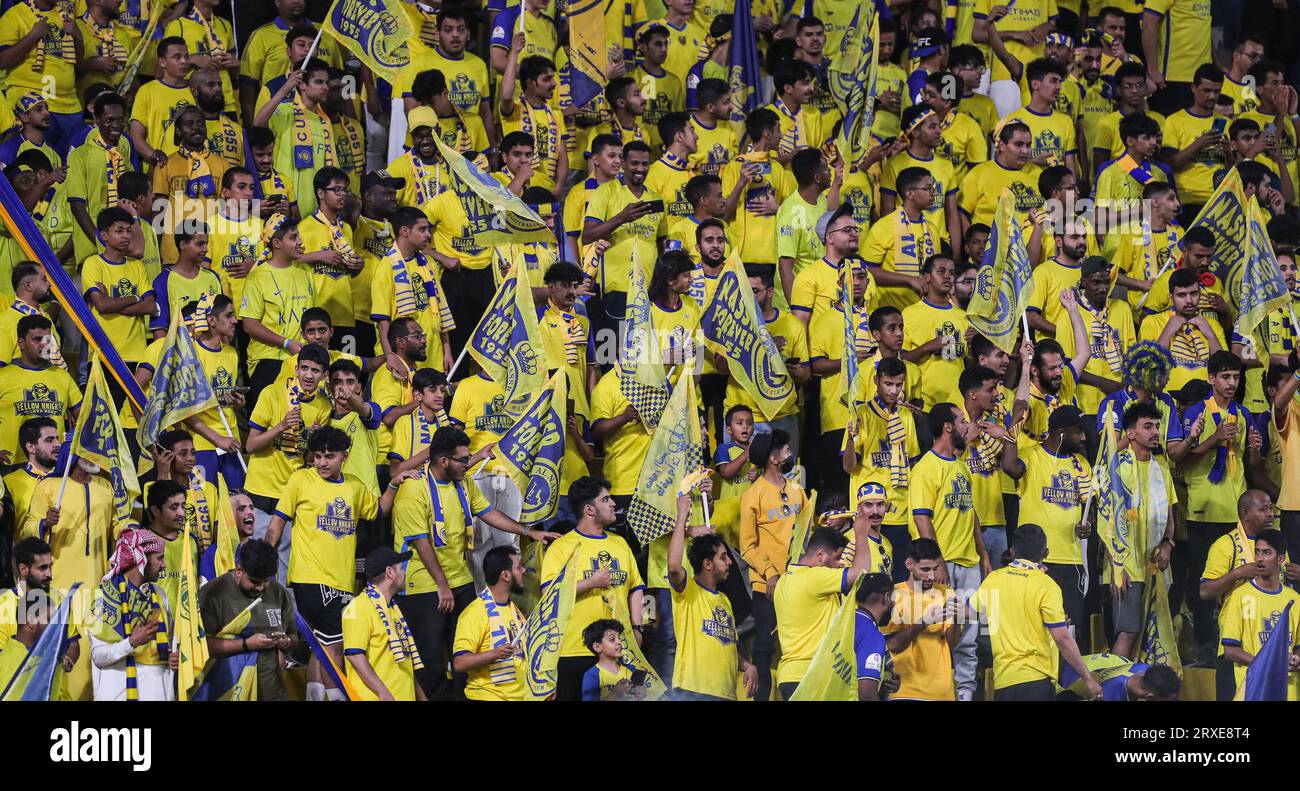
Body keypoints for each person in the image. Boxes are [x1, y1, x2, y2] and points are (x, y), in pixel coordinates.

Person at [392, 426, 553, 699]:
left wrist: (529, 532)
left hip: (460, 579)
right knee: (430, 658)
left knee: (465, 655)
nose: (469, 463)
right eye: (464, 459)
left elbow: (490, 513)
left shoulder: (463, 482)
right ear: (444, 461)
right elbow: (422, 543)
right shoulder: (413, 489)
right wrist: (442, 585)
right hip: (424, 585)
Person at [265, 427, 411, 701]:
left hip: (342, 581)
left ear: (344, 456)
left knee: (320, 648)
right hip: (311, 578)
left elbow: (379, 510)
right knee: (336, 647)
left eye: (329, 457)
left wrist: (393, 484)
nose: (321, 462)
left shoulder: (354, 486)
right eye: (318, 456)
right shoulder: (300, 480)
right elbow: (276, 524)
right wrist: (264, 564)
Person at [968, 524, 1102, 701]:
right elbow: (1062, 638)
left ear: (1012, 551)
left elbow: (967, 613)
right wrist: (1088, 679)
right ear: (1045, 553)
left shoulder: (993, 579)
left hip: (1004, 684)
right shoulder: (1047, 586)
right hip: (1036, 682)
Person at [910, 402, 988, 700]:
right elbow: (921, 517)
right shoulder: (925, 468)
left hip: (968, 563)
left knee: (969, 635)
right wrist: (936, 562)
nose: (967, 426)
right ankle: (936, 691)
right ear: (947, 427)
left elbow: (971, 514)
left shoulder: (960, 466)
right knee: (937, 631)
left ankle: (965, 693)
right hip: (942, 564)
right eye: (962, 421)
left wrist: (984, 555)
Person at [545, 476, 646, 701]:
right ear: (589, 509)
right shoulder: (561, 547)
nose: (613, 504)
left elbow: (636, 587)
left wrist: (637, 629)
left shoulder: (620, 543)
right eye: (606, 499)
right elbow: (549, 596)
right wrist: (591, 583)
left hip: (618, 651)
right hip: (574, 651)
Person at [1003, 405, 1094, 638]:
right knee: (1034, 627)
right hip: (1036, 561)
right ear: (1061, 433)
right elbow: (1009, 466)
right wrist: (1011, 429)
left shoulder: (1081, 464)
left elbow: (1088, 508)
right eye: (1078, 432)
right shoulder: (1032, 456)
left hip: (1071, 558)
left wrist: (1088, 525)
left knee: (1067, 628)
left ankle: (1065, 675)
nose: (1083, 437)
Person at [243, 343, 332, 581]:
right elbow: (250, 446)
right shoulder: (271, 394)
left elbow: (311, 460)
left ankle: (280, 613)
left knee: (284, 568)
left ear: (324, 376)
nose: (308, 375)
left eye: (315, 370)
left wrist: (314, 441)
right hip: (260, 492)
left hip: (291, 494)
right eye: (304, 368)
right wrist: (281, 426)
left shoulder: (323, 406)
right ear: (296, 368)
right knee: (255, 562)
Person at [667, 480, 756, 700]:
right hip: (694, 692)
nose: (729, 562)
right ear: (707, 564)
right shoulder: (688, 591)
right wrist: (682, 518)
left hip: (724, 693)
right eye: (723, 557)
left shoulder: (725, 600)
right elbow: (674, 567)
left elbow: (726, 644)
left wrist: (747, 666)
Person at [1102, 402, 1177, 659]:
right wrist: (1116, 567)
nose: (1155, 431)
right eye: (1148, 426)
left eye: (1157, 426)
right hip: (1127, 568)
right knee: (1128, 632)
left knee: (1152, 634)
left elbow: (1169, 514)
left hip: (1154, 566)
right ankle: (1113, 692)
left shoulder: (1162, 468)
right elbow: (1106, 522)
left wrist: (1168, 543)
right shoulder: (1118, 467)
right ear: (1130, 433)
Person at [739, 429, 805, 701]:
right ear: (774, 458)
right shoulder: (753, 495)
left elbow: (807, 534)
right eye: (787, 451)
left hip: (797, 582)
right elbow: (747, 546)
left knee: (799, 646)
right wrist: (770, 574)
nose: (790, 455)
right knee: (764, 648)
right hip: (766, 584)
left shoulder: (798, 491)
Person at [774, 517, 871, 700]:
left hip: (789, 675)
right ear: (820, 555)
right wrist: (861, 534)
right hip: (811, 675)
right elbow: (861, 573)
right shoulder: (814, 578)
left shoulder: (784, 580)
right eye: (836, 558)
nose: (839, 564)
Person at [198, 539, 299, 701]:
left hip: (271, 691)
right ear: (239, 571)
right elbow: (201, 646)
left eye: (266, 581)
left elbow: (294, 637)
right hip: (226, 691)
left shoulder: (278, 592)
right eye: (255, 581)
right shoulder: (213, 593)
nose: (261, 588)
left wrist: (286, 643)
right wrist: (245, 644)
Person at [87, 528, 178, 701]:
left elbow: (171, 642)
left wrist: (174, 657)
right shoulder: (101, 598)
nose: (164, 565)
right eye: (159, 558)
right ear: (141, 560)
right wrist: (131, 642)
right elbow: (98, 657)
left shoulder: (160, 594)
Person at [239, 217, 315, 403]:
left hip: (301, 362)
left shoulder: (305, 271)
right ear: (277, 243)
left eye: (298, 236)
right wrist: (285, 343)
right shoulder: (257, 277)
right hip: (268, 361)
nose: (300, 242)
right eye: (293, 238)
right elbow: (249, 325)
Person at [1219, 530, 1300, 700]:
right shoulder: (1240, 596)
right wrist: (1269, 662)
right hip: (1254, 690)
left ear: (1281, 559)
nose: (1259, 558)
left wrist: (1296, 660)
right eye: (1257, 551)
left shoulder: (1294, 599)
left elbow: (1298, 647)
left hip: (1288, 691)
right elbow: (1230, 650)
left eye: (1266, 552)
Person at [342, 548, 427, 701]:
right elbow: (355, 656)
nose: (405, 572)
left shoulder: (393, 609)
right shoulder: (359, 607)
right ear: (390, 572)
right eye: (401, 568)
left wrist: (421, 697)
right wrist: (383, 693)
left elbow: (403, 663)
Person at [880, 538, 957, 701]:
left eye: (936, 569)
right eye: (925, 569)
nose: (932, 576)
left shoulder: (946, 593)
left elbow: (952, 645)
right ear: (909, 565)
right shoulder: (894, 595)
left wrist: (956, 618)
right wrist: (923, 623)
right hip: (905, 691)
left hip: (942, 692)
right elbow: (891, 645)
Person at [451, 546, 529, 701]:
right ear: (505, 575)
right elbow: (459, 663)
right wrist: (495, 654)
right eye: (519, 567)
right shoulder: (475, 612)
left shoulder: (514, 610)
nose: (524, 571)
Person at [0, 315, 80, 460]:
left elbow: (84, 418)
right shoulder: (3, 376)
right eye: (37, 339)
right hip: (13, 467)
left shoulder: (63, 377)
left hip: (54, 468)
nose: (45, 344)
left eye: (48, 339)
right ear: (21, 343)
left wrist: (70, 445)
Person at [1159, 64, 1228, 224]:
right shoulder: (1175, 121)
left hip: (1219, 201)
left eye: (1216, 91)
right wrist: (1199, 144)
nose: (1212, 96)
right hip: (1186, 201)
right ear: (1193, 88)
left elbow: (1235, 170)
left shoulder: (1226, 123)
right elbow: (1170, 164)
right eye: (1206, 91)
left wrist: (1229, 153)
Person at [902, 255, 968, 410]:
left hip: (957, 404)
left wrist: (971, 348)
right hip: (922, 403)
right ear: (927, 278)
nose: (947, 276)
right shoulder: (910, 314)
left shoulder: (963, 316)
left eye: (951, 273)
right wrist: (927, 347)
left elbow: (966, 363)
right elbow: (900, 359)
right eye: (941, 271)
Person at [854, 572, 899, 701]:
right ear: (886, 597)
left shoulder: (845, 620)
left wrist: (881, 686)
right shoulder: (872, 636)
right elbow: (867, 694)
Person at [1058, 653, 1183, 700]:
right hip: (1070, 675)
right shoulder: (1110, 695)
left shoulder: (1145, 670)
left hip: (1096, 664)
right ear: (1149, 697)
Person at [3, 417, 57, 523]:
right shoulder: (8, 482)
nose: (57, 444)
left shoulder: (67, 478)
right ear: (30, 447)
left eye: (57, 438)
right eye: (49, 440)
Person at [580, 619, 644, 701]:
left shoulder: (631, 669)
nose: (619, 642)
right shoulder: (592, 675)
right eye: (612, 639)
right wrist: (615, 694)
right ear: (597, 647)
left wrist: (641, 696)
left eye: (619, 638)